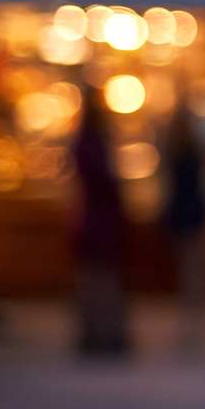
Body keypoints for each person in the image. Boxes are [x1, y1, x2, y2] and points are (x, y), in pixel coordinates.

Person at [72, 90, 129, 356]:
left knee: (94, 278)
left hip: (90, 219)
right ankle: (105, 333)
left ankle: (95, 333)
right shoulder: (96, 147)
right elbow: (106, 184)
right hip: (101, 220)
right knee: (104, 279)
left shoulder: (83, 144)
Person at [159, 100, 205, 353]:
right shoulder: (196, 150)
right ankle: (195, 319)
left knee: (185, 265)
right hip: (194, 212)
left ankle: (187, 320)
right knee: (195, 267)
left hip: (178, 212)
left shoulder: (170, 149)